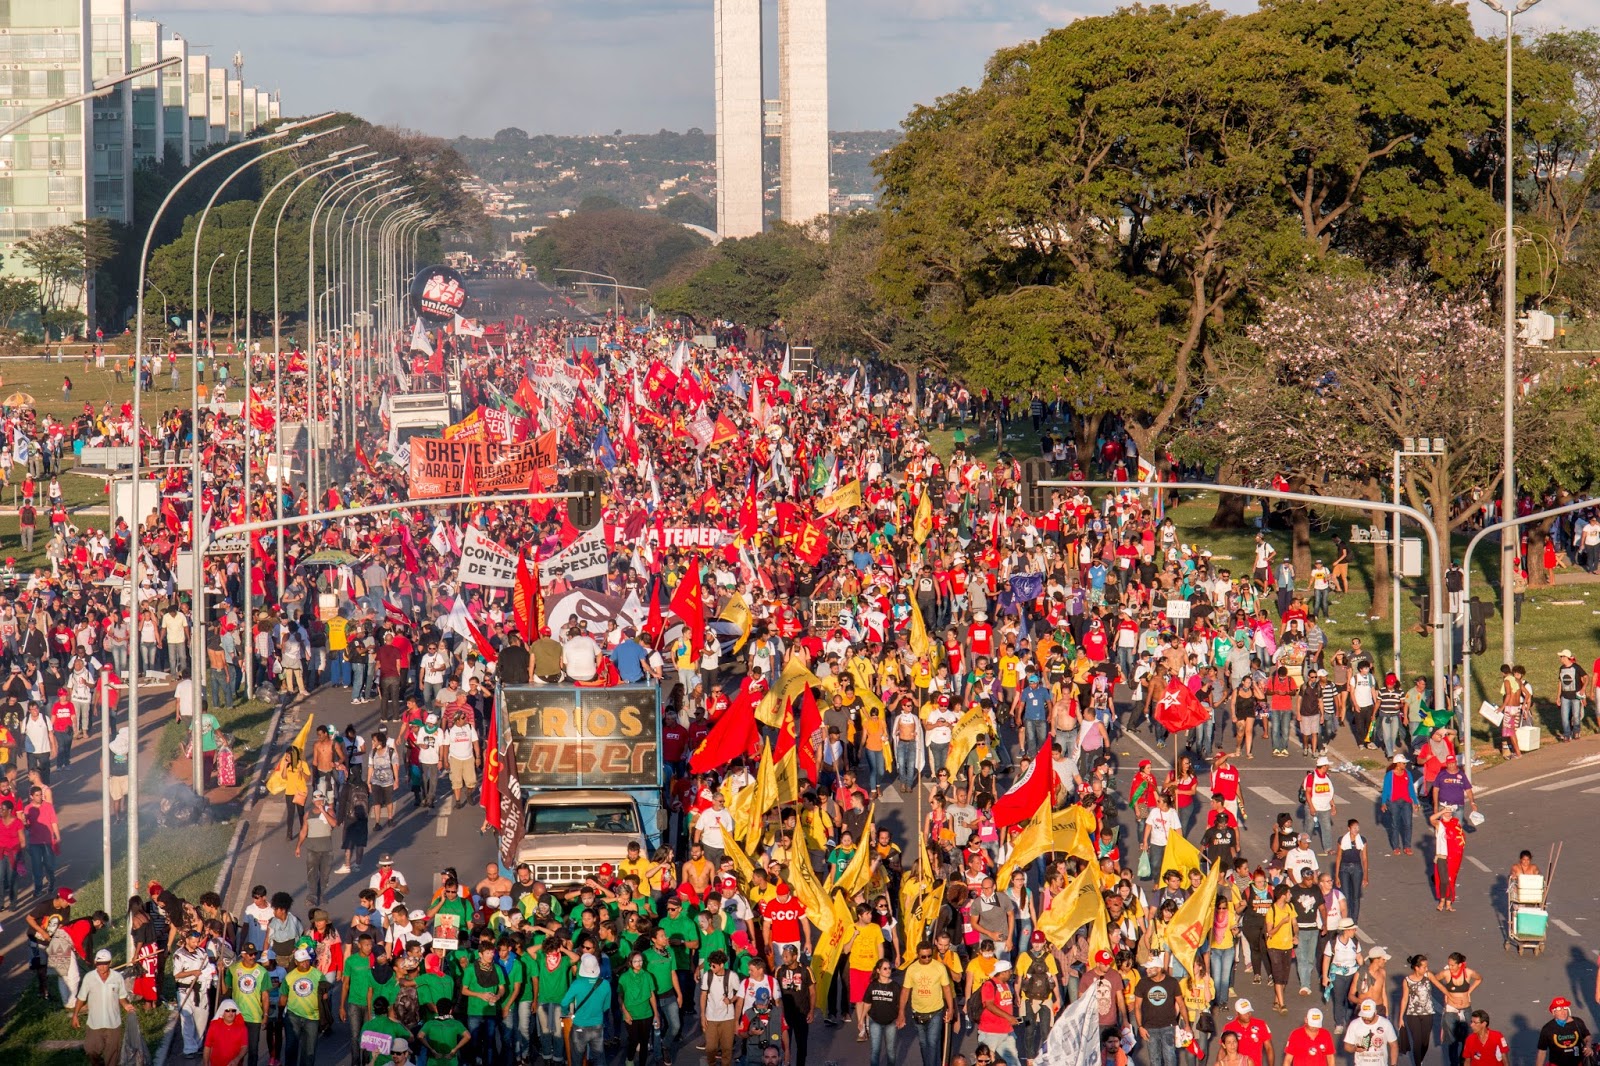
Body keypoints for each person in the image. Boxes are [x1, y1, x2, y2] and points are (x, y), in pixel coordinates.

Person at [71, 948, 133, 1066]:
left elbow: (121, 996)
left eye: (105, 964)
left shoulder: (117, 977)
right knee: (90, 1050)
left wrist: (126, 1005)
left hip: (113, 1023)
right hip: (95, 1023)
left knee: (112, 1055)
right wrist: (75, 1015)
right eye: (99, 964)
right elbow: (81, 998)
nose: (102, 967)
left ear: (110, 963)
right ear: (95, 963)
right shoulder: (89, 977)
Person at [900, 939, 955, 1066]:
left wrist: (951, 1009)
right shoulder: (912, 969)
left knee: (932, 1042)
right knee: (923, 1044)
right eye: (923, 956)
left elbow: (946, 989)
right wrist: (901, 1012)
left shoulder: (939, 967)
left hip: (936, 1011)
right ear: (917, 955)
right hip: (917, 1012)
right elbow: (905, 991)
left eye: (930, 956)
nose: (927, 959)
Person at [1535, 997, 1592, 1066]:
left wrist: (1588, 1046)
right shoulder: (1547, 1029)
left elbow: (1587, 1037)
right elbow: (1542, 1052)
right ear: (1553, 1012)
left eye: (1565, 1008)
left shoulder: (1577, 1022)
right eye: (1559, 1009)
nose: (1563, 1012)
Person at [1429, 806, 1466, 911]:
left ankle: (1449, 903)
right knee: (1444, 880)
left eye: (1450, 811)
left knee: (1451, 880)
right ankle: (1442, 900)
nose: (1449, 812)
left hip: (1454, 856)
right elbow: (1431, 819)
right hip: (1442, 856)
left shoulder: (1455, 823)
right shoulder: (1439, 824)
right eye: (1446, 811)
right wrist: (1442, 811)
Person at [1344, 999, 1399, 1066]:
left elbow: (1394, 1045)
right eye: (1364, 1015)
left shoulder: (1385, 1024)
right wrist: (1355, 1048)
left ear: (1375, 1012)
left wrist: (1394, 1064)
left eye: (1369, 1016)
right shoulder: (1354, 1024)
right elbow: (1347, 1046)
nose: (1366, 1018)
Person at [204, 999, 252, 1066]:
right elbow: (207, 1047)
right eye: (227, 1010)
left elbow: (244, 1047)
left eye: (233, 1010)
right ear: (222, 1012)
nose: (231, 1013)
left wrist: (236, 1060)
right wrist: (205, 1064)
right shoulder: (214, 1027)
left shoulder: (242, 1028)